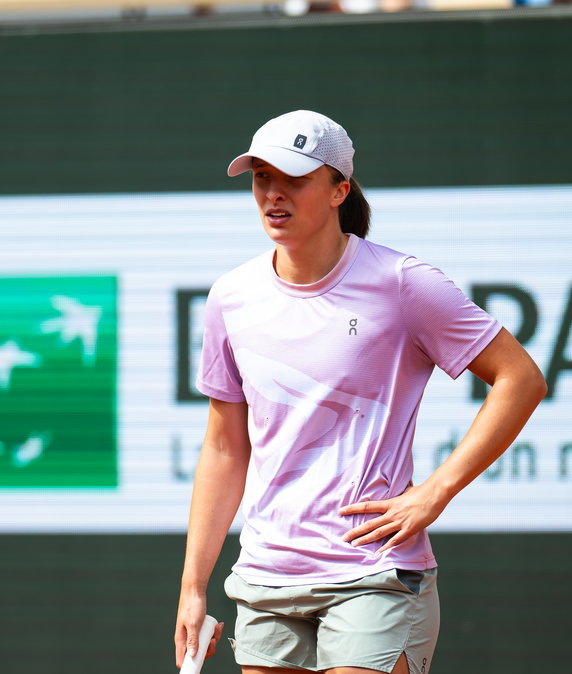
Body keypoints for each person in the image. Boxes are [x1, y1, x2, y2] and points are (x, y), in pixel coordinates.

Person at [173, 110, 547, 674]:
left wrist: (436, 491)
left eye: (294, 179)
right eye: (261, 178)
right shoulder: (231, 296)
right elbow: (225, 448)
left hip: (375, 574)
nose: (274, 195)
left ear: (338, 190)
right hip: (265, 577)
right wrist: (193, 587)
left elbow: (520, 378)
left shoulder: (403, 283)